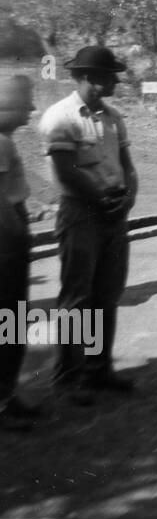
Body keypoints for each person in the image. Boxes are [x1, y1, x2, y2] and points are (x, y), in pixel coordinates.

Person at [39, 46, 139, 403]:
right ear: (88, 78)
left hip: (113, 213)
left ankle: (99, 369)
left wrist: (128, 198)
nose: (115, 80)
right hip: (81, 212)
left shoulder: (113, 117)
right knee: (77, 298)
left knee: (107, 295)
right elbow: (66, 169)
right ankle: (68, 376)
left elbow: (127, 164)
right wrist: (101, 199)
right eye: (109, 75)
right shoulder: (61, 117)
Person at [0, 76, 39, 429]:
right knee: (7, 324)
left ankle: (7, 396)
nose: (30, 109)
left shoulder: (6, 142)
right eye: (23, 102)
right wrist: (17, 242)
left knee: (12, 325)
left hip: (11, 242)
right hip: (6, 247)